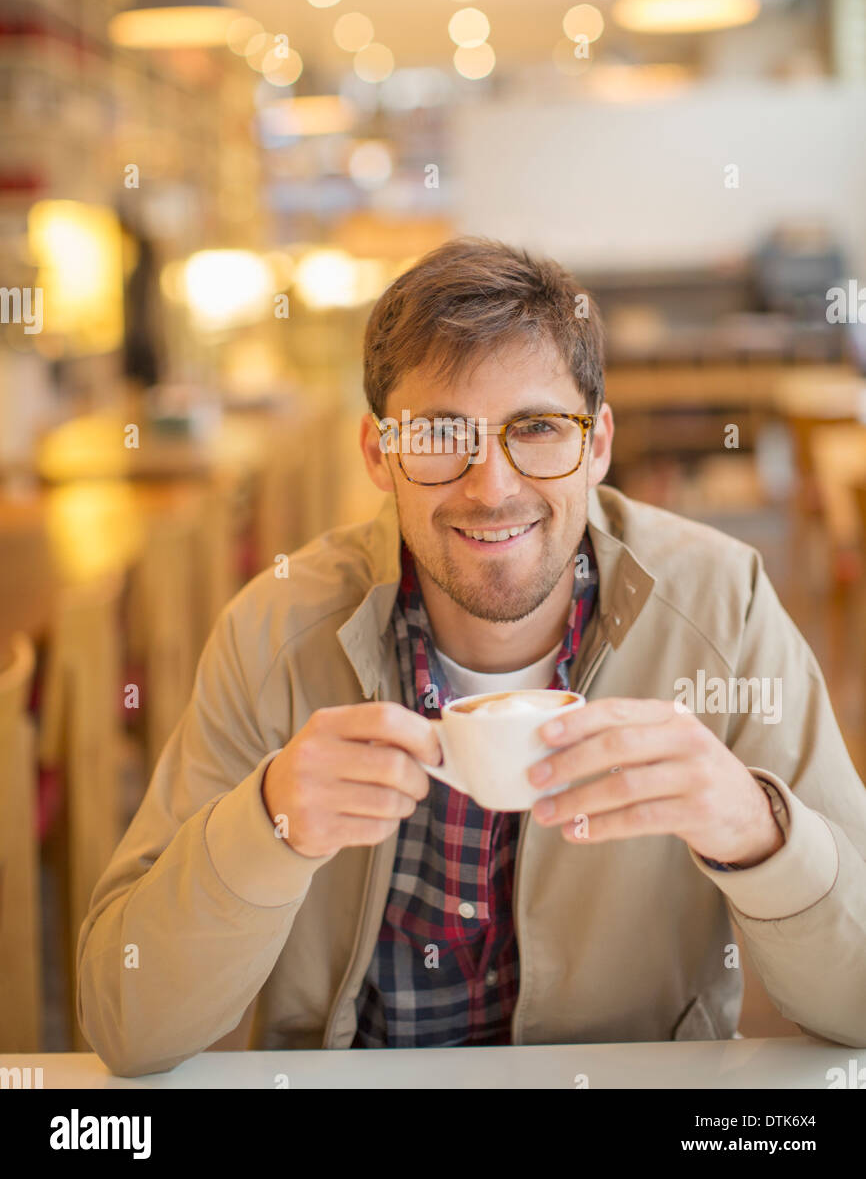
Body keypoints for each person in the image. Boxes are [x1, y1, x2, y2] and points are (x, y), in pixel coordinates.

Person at [77, 237, 866, 1076]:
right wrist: (265, 824)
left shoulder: (723, 608)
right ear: (380, 455)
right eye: (439, 434)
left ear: (597, 445)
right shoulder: (274, 630)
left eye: (537, 428)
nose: (492, 487)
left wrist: (756, 830)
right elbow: (129, 1026)